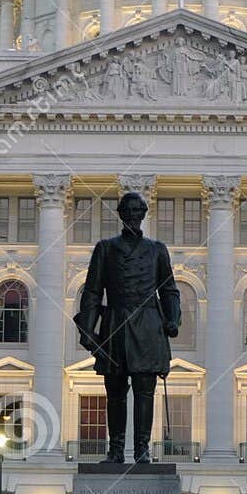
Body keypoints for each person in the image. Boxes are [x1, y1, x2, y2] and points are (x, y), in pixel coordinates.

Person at [74, 191, 181, 464]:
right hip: (116, 324)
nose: (133, 215)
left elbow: (169, 289)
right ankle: (117, 449)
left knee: (146, 391)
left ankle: (142, 449)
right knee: (116, 392)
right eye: (128, 210)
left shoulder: (157, 249)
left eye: (138, 210)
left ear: (144, 214)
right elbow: (93, 291)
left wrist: (173, 318)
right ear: (121, 214)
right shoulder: (106, 248)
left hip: (147, 326)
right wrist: (87, 329)